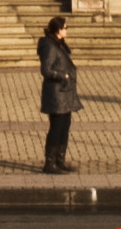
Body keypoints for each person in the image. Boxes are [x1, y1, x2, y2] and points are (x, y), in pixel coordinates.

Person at [35, 16, 80, 174]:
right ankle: (50, 163)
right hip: (56, 94)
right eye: (65, 28)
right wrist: (63, 76)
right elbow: (45, 70)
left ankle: (60, 160)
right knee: (56, 128)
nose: (67, 30)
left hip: (64, 94)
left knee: (64, 127)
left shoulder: (59, 44)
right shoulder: (49, 46)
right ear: (57, 30)